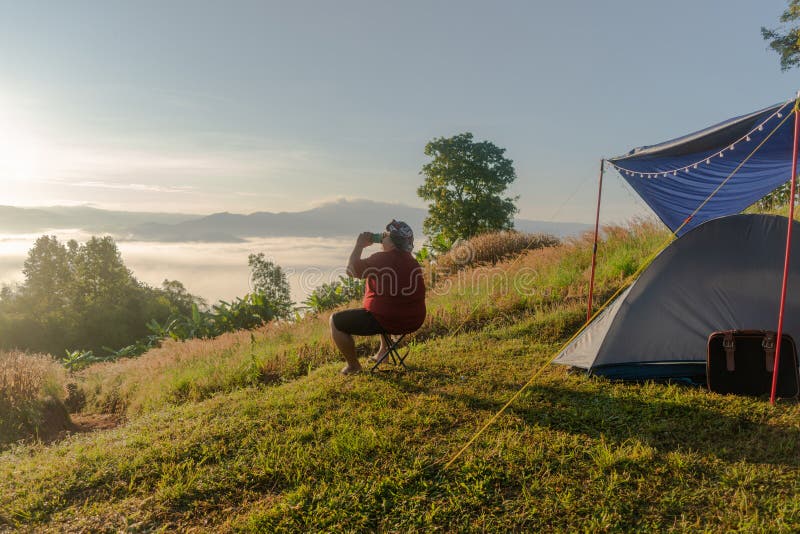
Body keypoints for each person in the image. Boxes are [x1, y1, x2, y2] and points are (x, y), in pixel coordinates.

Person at [330, 220, 426, 374]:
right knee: (387, 304)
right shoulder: (412, 261)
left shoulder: (381, 259)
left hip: (388, 320)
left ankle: (353, 366)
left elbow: (351, 271)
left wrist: (359, 245)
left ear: (393, 241)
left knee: (335, 321)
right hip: (414, 320)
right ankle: (383, 352)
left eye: (385, 235)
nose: (382, 238)